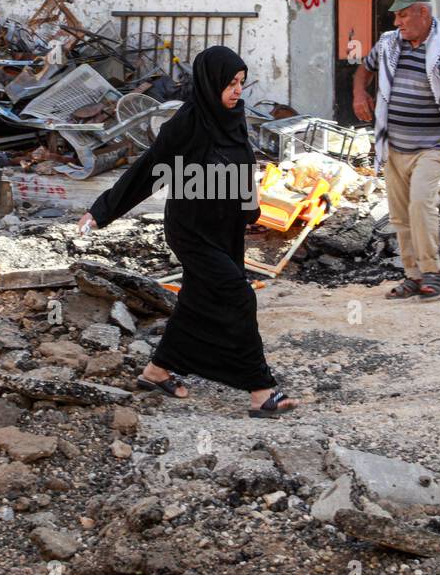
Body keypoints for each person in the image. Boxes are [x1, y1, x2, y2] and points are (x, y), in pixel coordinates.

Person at [77, 46, 296, 419]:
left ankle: (156, 371)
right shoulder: (187, 124)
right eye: (229, 83)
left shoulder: (234, 117)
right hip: (192, 230)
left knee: (197, 303)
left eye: (241, 82)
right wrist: (102, 211)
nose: (236, 90)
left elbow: (243, 165)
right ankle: (261, 390)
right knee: (238, 297)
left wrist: (251, 210)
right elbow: (148, 169)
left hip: (226, 230)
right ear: (211, 83)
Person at [352, 0, 440, 301]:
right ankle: (413, 276)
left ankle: (433, 273)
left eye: (403, 15)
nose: (397, 22)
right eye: (395, 16)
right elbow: (363, 71)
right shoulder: (389, 45)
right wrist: (359, 95)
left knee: (420, 205)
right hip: (395, 145)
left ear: (423, 12)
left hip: (432, 145)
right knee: (400, 215)